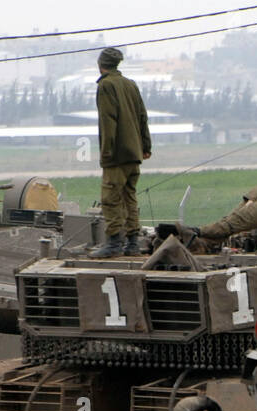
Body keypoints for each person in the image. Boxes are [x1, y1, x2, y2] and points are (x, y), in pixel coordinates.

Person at [92, 47, 151, 258]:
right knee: (129, 198)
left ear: (101, 65)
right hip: (134, 153)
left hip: (116, 155)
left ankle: (114, 242)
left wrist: (106, 153)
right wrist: (145, 147)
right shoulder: (130, 85)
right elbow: (142, 116)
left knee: (110, 199)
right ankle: (132, 244)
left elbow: (108, 121)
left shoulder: (106, 85)